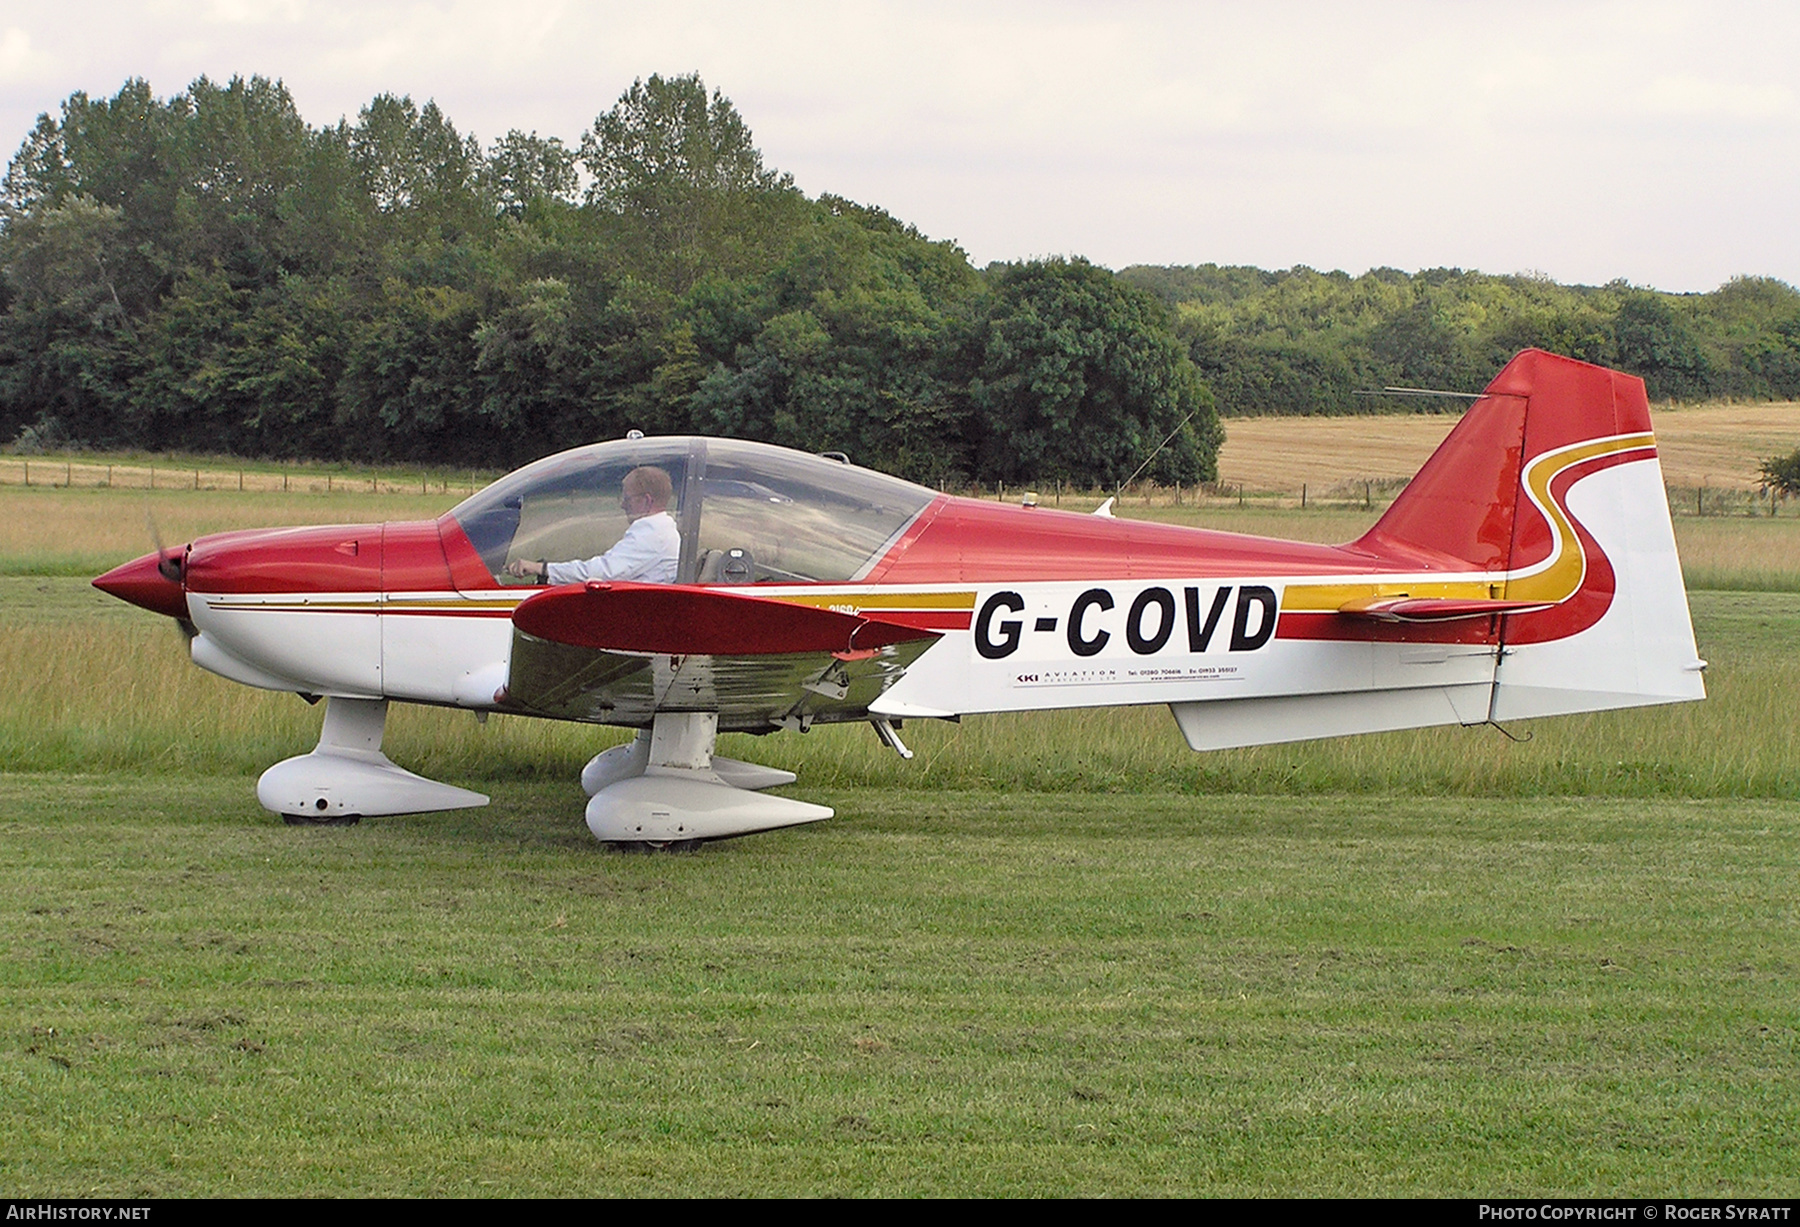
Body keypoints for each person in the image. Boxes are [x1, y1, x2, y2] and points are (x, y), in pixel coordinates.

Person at [505, 465, 680, 585]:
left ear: (646, 501)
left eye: (627, 498)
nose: (622, 505)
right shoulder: (660, 529)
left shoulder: (652, 533)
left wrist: (542, 568)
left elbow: (603, 572)